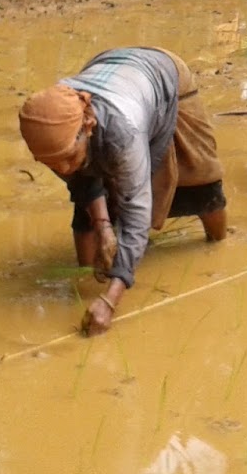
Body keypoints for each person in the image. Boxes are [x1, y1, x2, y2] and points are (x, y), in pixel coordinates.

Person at [18, 48, 228, 336]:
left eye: (67, 157)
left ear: (88, 125)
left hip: (165, 76)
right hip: (108, 68)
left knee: (199, 177)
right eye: (53, 164)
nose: (63, 169)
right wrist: (103, 228)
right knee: (87, 185)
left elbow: (136, 218)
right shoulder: (54, 130)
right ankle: (96, 257)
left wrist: (109, 300)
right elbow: (82, 181)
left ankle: (219, 244)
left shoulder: (122, 134)